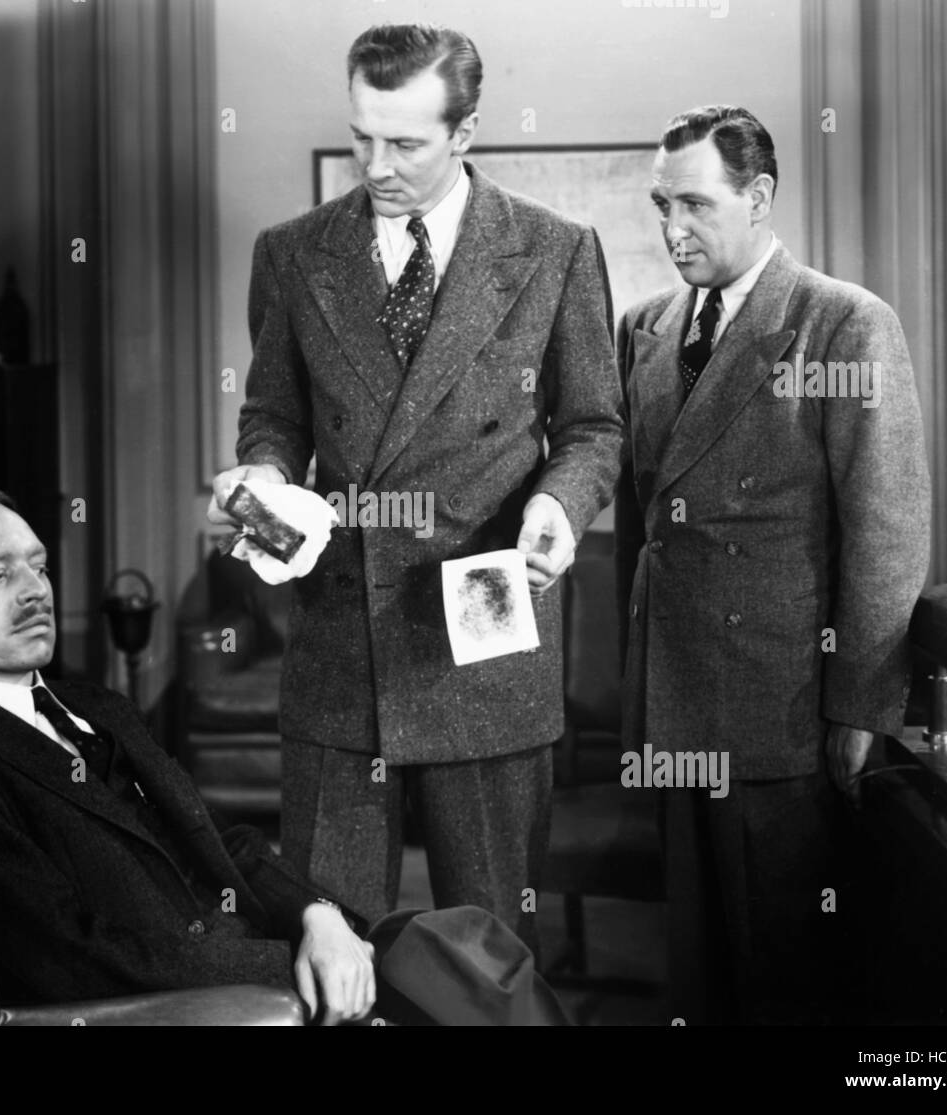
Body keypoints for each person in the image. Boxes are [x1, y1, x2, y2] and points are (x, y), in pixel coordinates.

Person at [209, 23, 623, 944]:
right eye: (362, 135)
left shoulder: (554, 252)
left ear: (465, 133)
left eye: (405, 142)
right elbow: (272, 414)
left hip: (484, 620)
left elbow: (594, 425)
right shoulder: (292, 252)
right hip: (339, 639)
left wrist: (559, 502)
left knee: (489, 955)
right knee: (328, 948)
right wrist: (266, 477)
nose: (376, 163)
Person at [615, 105, 931, 1023]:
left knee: (782, 968)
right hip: (674, 701)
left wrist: (859, 706)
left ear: (759, 198)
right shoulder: (646, 326)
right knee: (696, 966)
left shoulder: (842, 324)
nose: (673, 231)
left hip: (781, 708)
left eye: (696, 206)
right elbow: (644, 515)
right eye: (660, 205)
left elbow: (887, 530)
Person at [0, 488, 375, 1022]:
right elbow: (68, 952)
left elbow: (225, 841)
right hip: (207, 1005)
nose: (34, 591)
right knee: (446, 968)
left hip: (270, 956)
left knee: (450, 940)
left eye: (39, 568)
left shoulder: (99, 706)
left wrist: (319, 917)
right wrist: (295, 966)